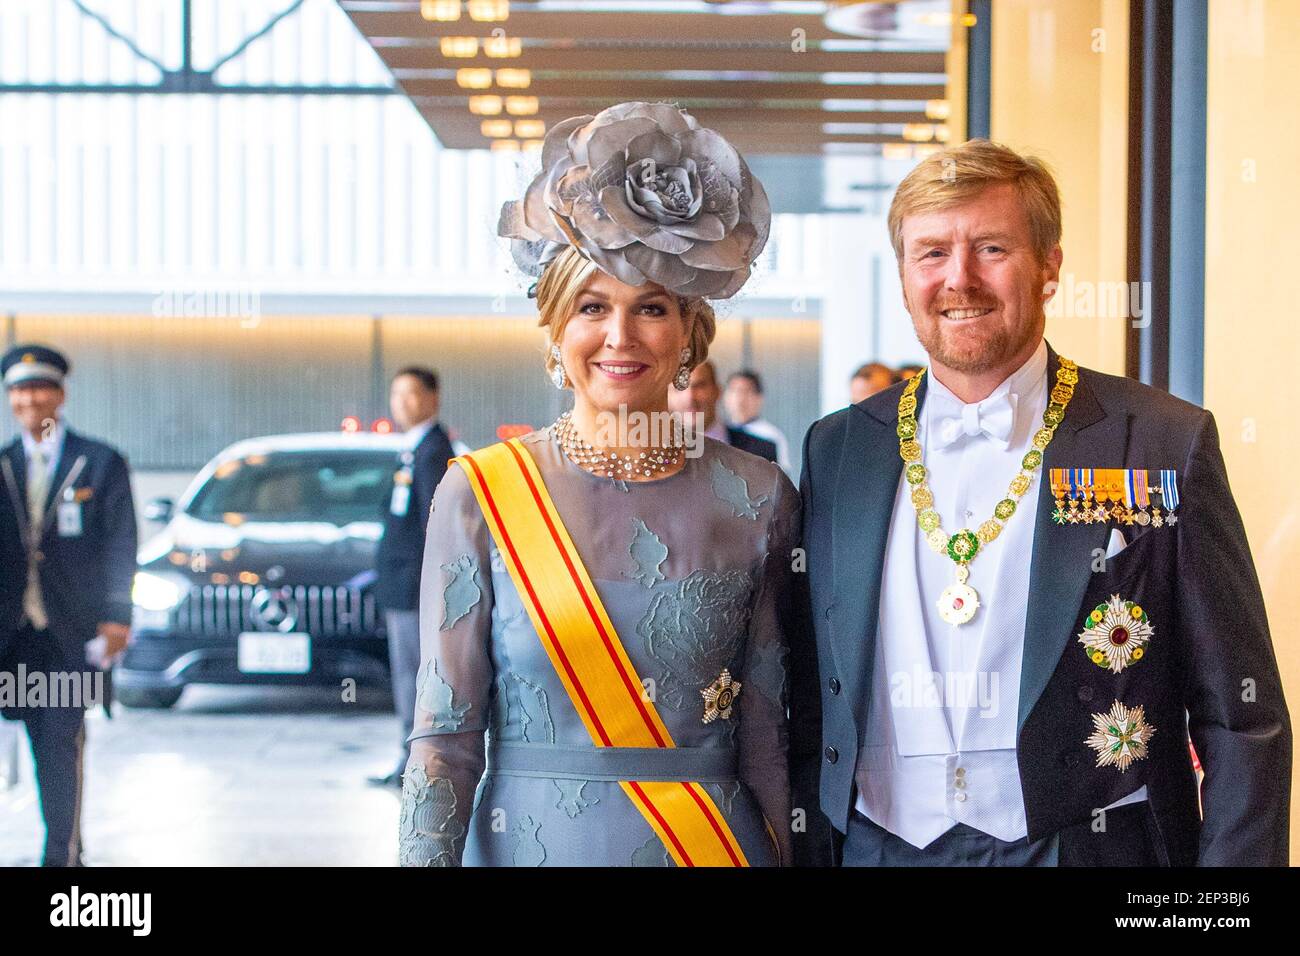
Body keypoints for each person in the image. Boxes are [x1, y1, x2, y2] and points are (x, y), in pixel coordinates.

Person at [794, 139, 1290, 866]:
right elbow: (807, 694)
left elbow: (1240, 718)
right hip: (877, 845)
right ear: (903, 275)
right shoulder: (837, 449)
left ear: (1050, 266)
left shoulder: (1161, 440)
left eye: (991, 248)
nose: (958, 279)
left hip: (1085, 848)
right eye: (931, 254)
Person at [398, 101, 798, 866]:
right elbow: (443, 743)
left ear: (688, 333)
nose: (620, 337)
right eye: (592, 307)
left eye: (650, 308)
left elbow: (768, 738)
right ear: (556, 330)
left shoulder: (760, 496)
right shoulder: (480, 493)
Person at [0, 345, 137, 866]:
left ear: (60, 394)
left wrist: (117, 617)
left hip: (69, 635)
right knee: (34, 739)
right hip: (11, 635)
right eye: (18, 390)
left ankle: (61, 857)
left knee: (59, 740)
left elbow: (120, 544)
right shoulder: (4, 464)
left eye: (39, 388)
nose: (29, 399)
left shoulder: (99, 463)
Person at [370, 367, 457, 788]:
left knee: (412, 673)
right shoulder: (412, 448)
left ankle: (416, 761)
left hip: (414, 586)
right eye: (396, 394)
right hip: (401, 584)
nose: (402, 402)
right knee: (406, 672)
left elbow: (432, 523)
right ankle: (410, 757)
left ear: (433, 398)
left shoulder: (434, 450)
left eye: (411, 394)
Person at [669, 361, 778, 464]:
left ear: (717, 391)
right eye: (679, 388)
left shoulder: (760, 452)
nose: (689, 397)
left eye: (699, 386)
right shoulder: (656, 454)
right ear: (666, 396)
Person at [723, 370, 792, 473]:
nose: (740, 398)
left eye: (746, 392)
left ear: (759, 398)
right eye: (734, 391)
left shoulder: (771, 436)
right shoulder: (720, 431)